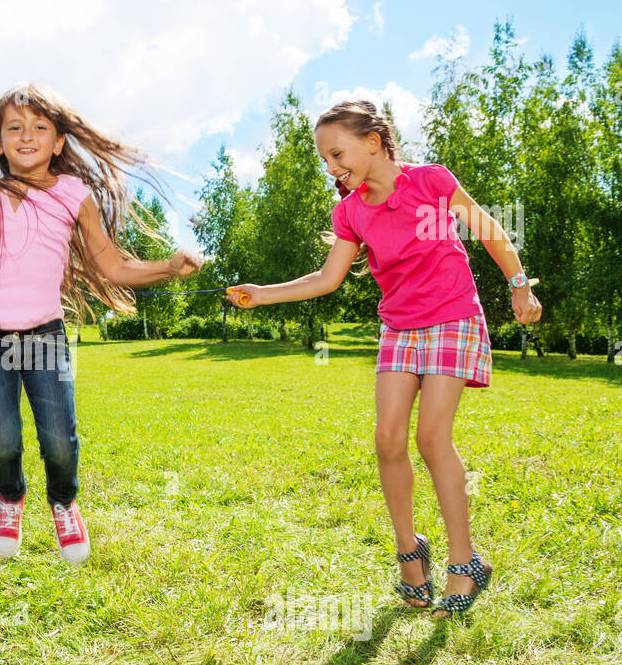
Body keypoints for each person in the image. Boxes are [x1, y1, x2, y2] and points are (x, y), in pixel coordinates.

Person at [227, 100, 542, 617]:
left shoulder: (431, 182)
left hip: (452, 316)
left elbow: (489, 229)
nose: (332, 168)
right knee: (388, 438)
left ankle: (466, 563)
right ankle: (410, 556)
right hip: (399, 326)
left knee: (431, 436)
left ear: (373, 141)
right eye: (325, 160)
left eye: (337, 154)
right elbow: (327, 279)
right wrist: (262, 293)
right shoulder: (350, 211)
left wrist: (519, 286)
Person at [0, 84, 200, 565]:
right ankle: (9, 498)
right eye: (15, 127)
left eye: (40, 128)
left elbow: (111, 265)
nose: (27, 135)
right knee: (1, 437)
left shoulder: (73, 194)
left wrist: (167, 268)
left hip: (45, 336)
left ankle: (64, 503)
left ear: (58, 143)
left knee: (59, 437)